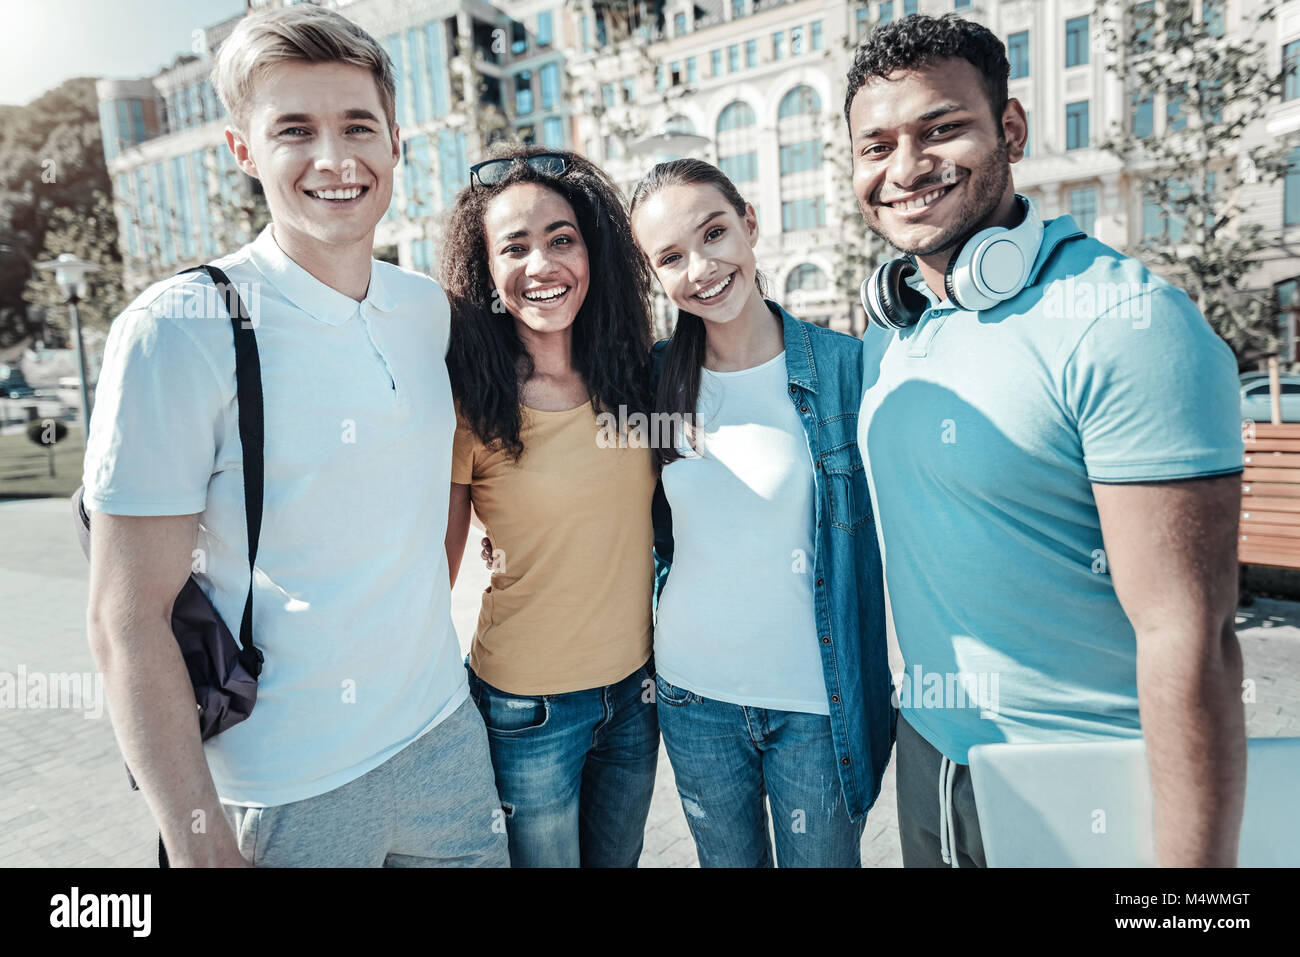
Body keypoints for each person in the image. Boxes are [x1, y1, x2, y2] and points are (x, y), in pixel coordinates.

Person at [82, 4, 507, 867]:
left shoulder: (427, 311)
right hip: (283, 794)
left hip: (446, 748)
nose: (335, 158)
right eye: (294, 130)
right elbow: (126, 624)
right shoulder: (180, 328)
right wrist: (201, 850)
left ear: (398, 142)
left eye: (358, 125)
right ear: (243, 151)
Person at [846, 14, 1245, 867]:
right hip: (932, 762)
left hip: (1091, 792)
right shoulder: (894, 329)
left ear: (1012, 130)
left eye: (941, 128)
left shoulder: (1126, 322)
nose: (906, 168)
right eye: (875, 146)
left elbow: (1193, 641)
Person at [628, 159, 896, 868]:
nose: (702, 267)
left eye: (714, 233)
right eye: (672, 257)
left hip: (816, 704)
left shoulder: (845, 367)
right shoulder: (655, 381)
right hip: (693, 697)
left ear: (749, 222)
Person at [440, 145, 660, 868]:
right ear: (489, 272)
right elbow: (427, 577)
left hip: (637, 698)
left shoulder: (636, 378)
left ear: (591, 253)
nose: (542, 265)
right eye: (515, 247)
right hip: (526, 711)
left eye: (561, 239)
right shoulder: (468, 403)